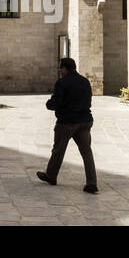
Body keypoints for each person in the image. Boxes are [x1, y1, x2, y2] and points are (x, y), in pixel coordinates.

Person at [36, 57, 98, 193]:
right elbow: (88, 100)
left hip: (67, 122)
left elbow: (55, 103)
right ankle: (92, 183)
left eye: (60, 68)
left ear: (64, 68)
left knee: (58, 150)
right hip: (85, 120)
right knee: (86, 151)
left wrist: (49, 104)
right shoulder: (85, 81)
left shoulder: (62, 83)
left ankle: (51, 176)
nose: (60, 70)